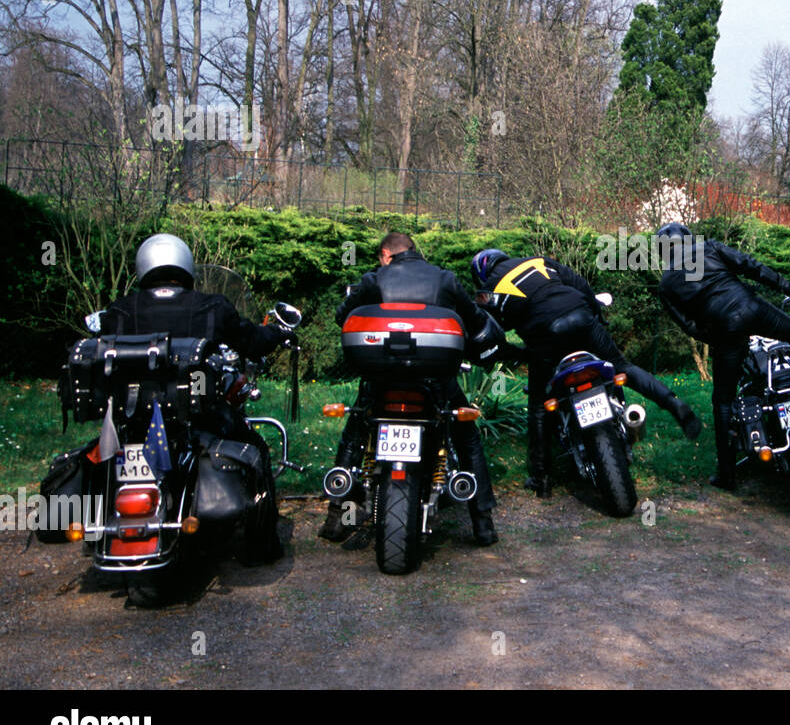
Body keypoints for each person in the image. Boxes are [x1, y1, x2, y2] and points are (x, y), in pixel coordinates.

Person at [100, 233, 293, 556]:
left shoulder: (119, 310)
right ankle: (262, 548)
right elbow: (251, 339)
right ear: (186, 265)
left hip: (132, 419)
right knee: (256, 448)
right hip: (197, 415)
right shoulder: (211, 307)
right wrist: (276, 333)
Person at [471, 247, 702, 499]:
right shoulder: (538, 261)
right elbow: (580, 284)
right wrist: (598, 318)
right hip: (581, 317)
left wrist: (515, 352)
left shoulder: (488, 290)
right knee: (621, 367)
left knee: (540, 405)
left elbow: (490, 332)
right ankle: (675, 405)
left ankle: (541, 478)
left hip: (544, 335)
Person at [321, 233, 500, 546]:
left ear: (386, 254)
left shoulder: (373, 279)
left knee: (356, 429)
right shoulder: (445, 279)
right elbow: (473, 320)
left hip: (382, 378)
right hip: (436, 379)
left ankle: (336, 516)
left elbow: (342, 316)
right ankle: (482, 522)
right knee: (466, 434)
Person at [656, 224, 790, 491]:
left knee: (723, 401)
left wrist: (716, 337)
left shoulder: (666, 285)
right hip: (751, 306)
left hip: (725, 329)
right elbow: (752, 267)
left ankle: (727, 474)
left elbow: (688, 325)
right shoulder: (711, 247)